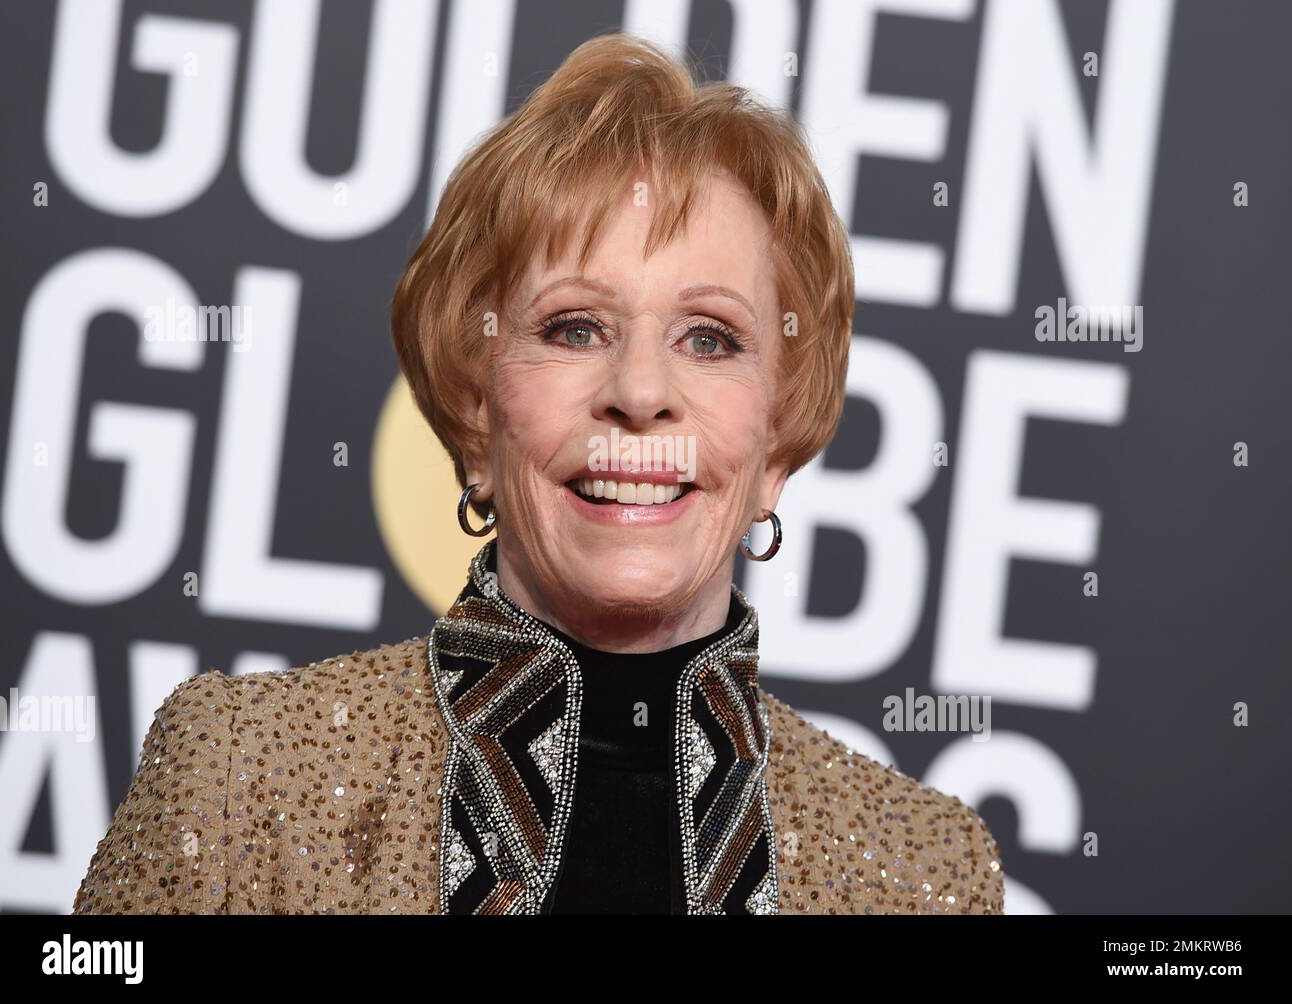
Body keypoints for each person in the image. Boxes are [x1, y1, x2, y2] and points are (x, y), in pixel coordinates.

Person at [73, 33, 1003, 916]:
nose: (640, 393)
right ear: (478, 412)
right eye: (574, 328)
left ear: (777, 441)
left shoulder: (926, 869)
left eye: (710, 339)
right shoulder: (242, 777)